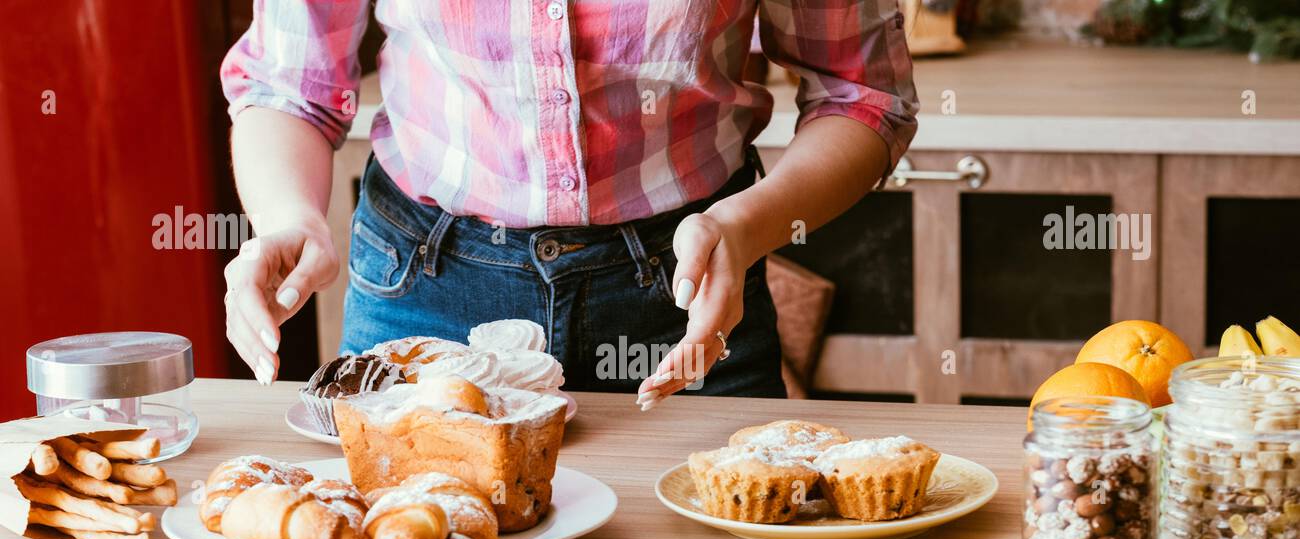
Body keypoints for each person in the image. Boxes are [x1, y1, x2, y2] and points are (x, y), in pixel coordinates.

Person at [220, 1, 917, 410]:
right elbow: (290, 85)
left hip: (683, 299)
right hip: (423, 297)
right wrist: (289, 216)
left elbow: (862, 94)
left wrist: (747, 224)